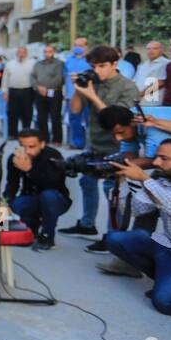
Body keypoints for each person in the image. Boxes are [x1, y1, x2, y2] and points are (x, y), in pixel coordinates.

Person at [107, 139, 171, 315]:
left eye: (164, 158)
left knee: (166, 303)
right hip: (167, 245)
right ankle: (167, 280)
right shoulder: (165, 180)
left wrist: (145, 178)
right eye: (157, 157)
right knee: (116, 240)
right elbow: (139, 210)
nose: (156, 163)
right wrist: (126, 182)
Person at [60, 45, 140, 243]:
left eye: (102, 66)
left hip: (117, 147)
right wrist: (79, 90)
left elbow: (115, 120)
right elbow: (76, 110)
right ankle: (87, 224)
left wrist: (93, 96)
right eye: (93, 66)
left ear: (115, 64)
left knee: (113, 192)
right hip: (94, 143)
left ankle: (112, 238)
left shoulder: (127, 86)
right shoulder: (92, 82)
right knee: (87, 182)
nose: (97, 71)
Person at [4, 129, 71, 251]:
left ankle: (47, 235)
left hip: (55, 199)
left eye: (31, 146)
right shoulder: (15, 158)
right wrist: (6, 200)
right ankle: (30, 230)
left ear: (42, 144)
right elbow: (12, 184)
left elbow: (53, 184)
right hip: (30, 198)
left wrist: (29, 170)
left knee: (48, 196)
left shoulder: (53, 156)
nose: (27, 151)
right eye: (23, 147)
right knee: (17, 203)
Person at [31, 44, 66, 145]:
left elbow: (59, 78)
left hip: (54, 92)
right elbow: (33, 77)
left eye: (50, 51)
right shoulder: (38, 64)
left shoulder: (59, 64)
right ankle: (44, 139)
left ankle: (57, 139)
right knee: (41, 117)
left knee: (55, 117)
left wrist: (48, 88)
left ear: (53, 52)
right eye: (45, 51)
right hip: (39, 93)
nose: (47, 54)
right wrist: (38, 87)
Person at [3, 45, 37, 137]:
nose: (21, 54)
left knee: (26, 113)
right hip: (13, 90)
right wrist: (4, 91)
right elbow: (5, 78)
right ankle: (12, 134)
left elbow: (35, 77)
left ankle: (26, 133)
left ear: (26, 53)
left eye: (23, 52)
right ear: (17, 53)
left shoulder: (32, 63)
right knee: (12, 113)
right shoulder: (10, 63)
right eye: (19, 52)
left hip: (27, 91)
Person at [64, 38, 91, 149]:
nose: (77, 47)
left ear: (86, 46)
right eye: (75, 45)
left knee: (89, 120)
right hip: (72, 95)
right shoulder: (68, 60)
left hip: (88, 95)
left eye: (80, 45)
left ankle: (91, 144)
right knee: (74, 120)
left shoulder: (91, 60)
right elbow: (64, 78)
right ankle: (77, 143)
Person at [133, 40, 169, 106]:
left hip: (153, 101)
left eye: (155, 49)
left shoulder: (166, 63)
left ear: (161, 50)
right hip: (139, 100)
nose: (151, 51)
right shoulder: (143, 64)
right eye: (148, 49)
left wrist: (142, 93)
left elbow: (161, 82)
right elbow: (135, 80)